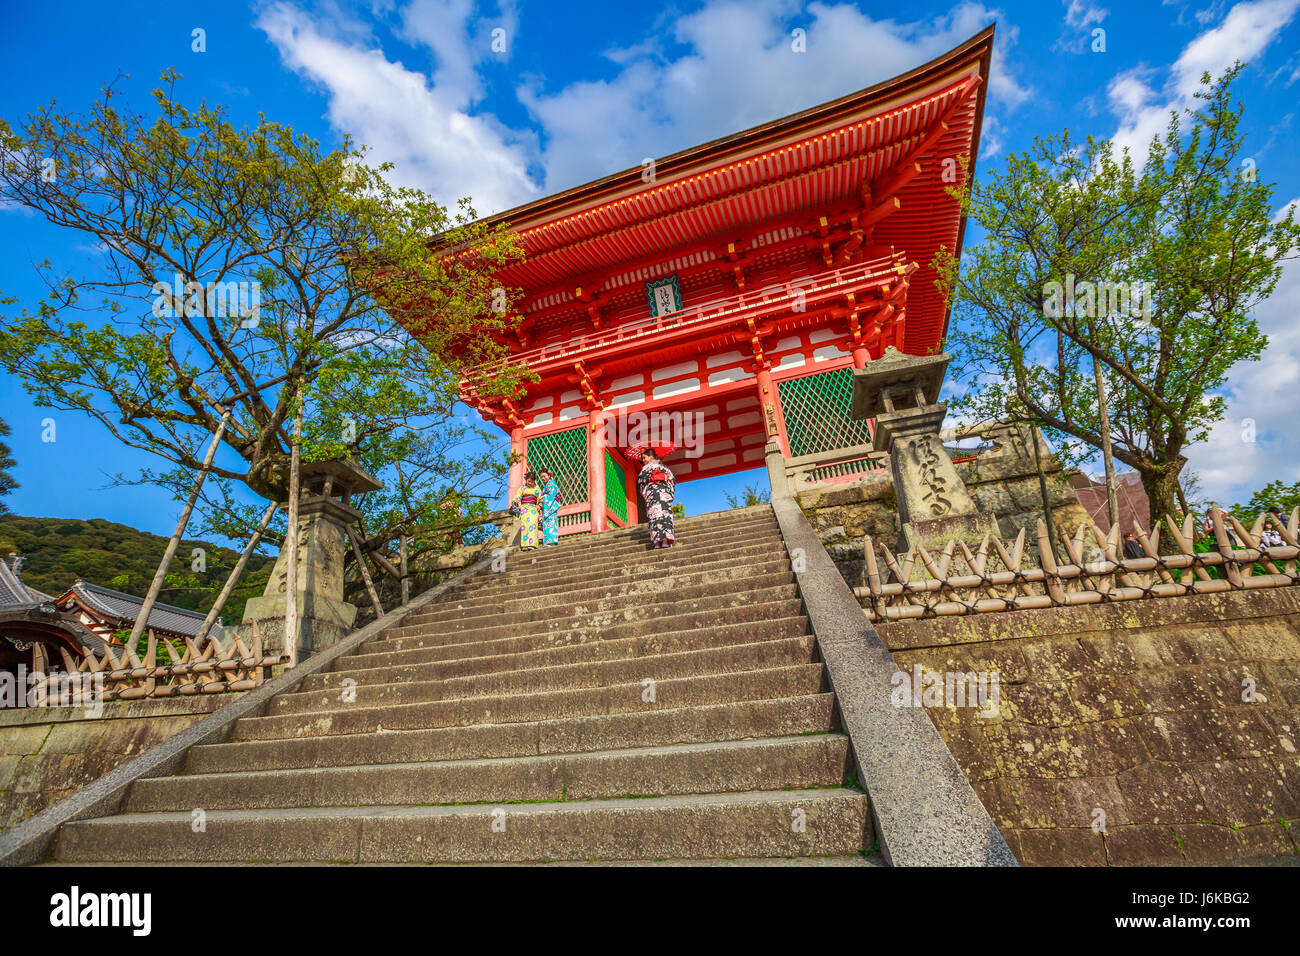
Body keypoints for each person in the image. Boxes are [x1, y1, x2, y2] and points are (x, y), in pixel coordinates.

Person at [637, 447, 676, 549]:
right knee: (658, 516)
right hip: (660, 493)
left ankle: (660, 541)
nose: (643, 460)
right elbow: (671, 480)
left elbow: (641, 483)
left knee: (661, 515)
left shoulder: (649, 469)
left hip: (656, 493)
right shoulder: (664, 468)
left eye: (644, 458)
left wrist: (660, 478)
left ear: (651, 456)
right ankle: (664, 541)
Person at [514, 470, 543, 550]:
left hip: (533, 509)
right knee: (525, 526)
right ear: (526, 479)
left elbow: (540, 499)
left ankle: (532, 544)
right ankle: (525, 545)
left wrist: (539, 506)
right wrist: (518, 505)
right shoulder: (522, 488)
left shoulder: (537, 488)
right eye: (529, 481)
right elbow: (517, 498)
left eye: (532, 482)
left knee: (533, 526)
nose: (530, 483)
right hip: (524, 509)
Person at [539, 469, 562, 546]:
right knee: (547, 525)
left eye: (544, 476)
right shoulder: (546, 486)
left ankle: (552, 541)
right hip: (547, 507)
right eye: (541, 477)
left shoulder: (552, 484)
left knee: (551, 524)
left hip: (550, 507)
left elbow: (551, 495)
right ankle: (547, 542)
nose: (543, 478)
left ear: (549, 475)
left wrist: (543, 499)